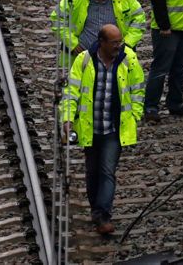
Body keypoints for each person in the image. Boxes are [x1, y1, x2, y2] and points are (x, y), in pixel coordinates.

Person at [60, 23, 144, 236]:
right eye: (114, 42)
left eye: (120, 42)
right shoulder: (84, 60)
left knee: (107, 171)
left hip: (114, 130)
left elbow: (138, 90)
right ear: (101, 42)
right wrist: (67, 119)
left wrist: (135, 115)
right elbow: (71, 91)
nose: (118, 46)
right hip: (91, 128)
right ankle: (96, 210)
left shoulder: (129, 59)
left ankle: (103, 215)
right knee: (92, 172)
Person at [50, 0, 147, 68]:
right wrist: (72, 43)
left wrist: (127, 43)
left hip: (115, 59)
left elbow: (139, 18)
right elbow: (57, 19)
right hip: (83, 60)